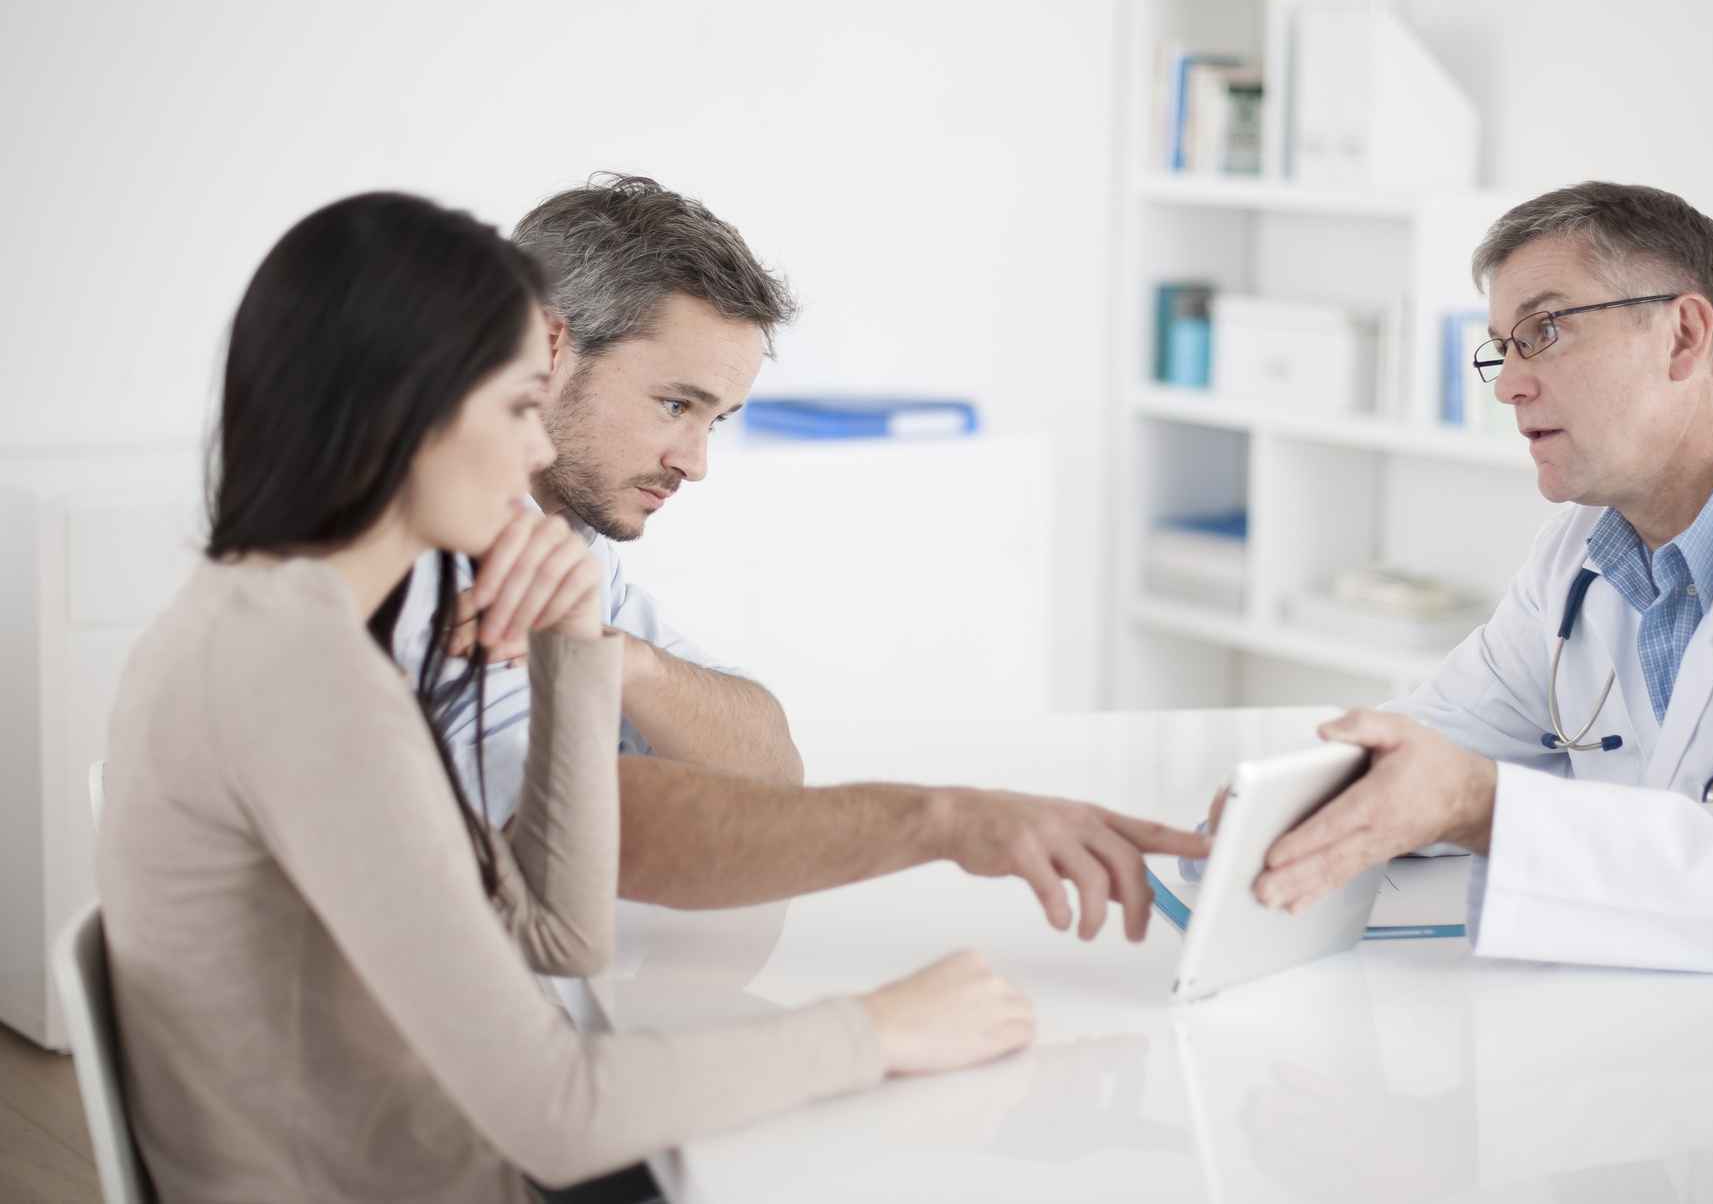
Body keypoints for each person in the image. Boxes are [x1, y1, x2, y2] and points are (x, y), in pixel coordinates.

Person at [97, 193, 1035, 1204]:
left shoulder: (299, 621)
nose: (536, 453)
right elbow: (560, 1115)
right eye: (516, 407)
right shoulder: (305, 679)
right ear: (407, 410)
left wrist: (576, 647)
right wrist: (879, 1029)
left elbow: (559, 937)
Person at [1229, 181, 1713, 1026]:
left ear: (1683, 335)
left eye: (1544, 331)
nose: (1507, 386)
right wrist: (1271, 812)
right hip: (1700, 1038)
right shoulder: (1578, 558)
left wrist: (1480, 806)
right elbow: (1438, 740)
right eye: (1501, 349)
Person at [397, 173, 1207, 942]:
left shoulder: (566, 534)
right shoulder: (434, 553)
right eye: (675, 405)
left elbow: (768, 765)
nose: (694, 463)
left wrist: (622, 661)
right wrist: (943, 822)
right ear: (548, 347)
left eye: (715, 421)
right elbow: (579, 829)